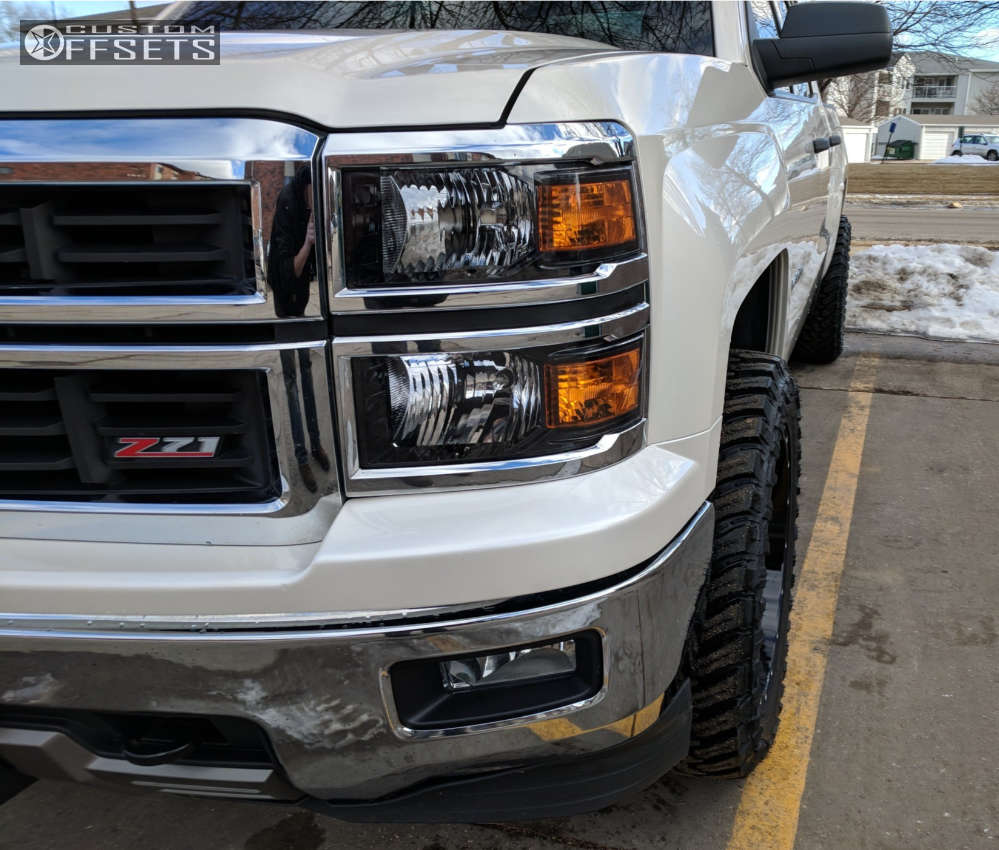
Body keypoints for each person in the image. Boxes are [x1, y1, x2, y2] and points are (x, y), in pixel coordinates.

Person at [267, 165, 330, 492]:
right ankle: (302, 457)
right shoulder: (288, 208)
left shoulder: (308, 205)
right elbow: (286, 271)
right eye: (314, 192)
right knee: (291, 380)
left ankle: (317, 444)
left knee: (307, 370)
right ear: (305, 186)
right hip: (282, 306)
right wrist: (307, 243)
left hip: (302, 302)